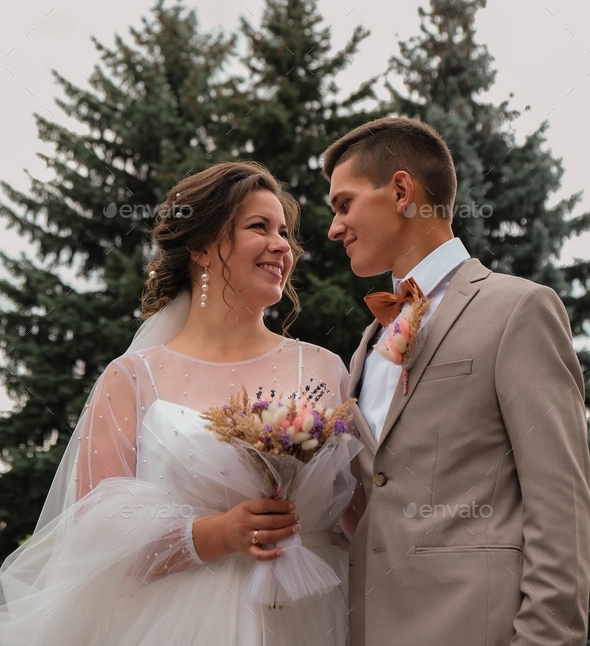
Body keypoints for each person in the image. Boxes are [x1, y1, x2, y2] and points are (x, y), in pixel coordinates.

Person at [0, 161, 356, 646]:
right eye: (259, 227)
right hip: (178, 625)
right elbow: (92, 545)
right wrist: (219, 534)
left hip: (317, 618)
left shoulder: (323, 370)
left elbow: (361, 515)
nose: (283, 246)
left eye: (286, 233)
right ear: (201, 249)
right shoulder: (131, 380)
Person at [322, 116, 590, 646]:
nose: (334, 227)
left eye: (343, 204)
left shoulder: (519, 309)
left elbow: (561, 506)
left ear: (401, 190)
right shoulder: (367, 342)